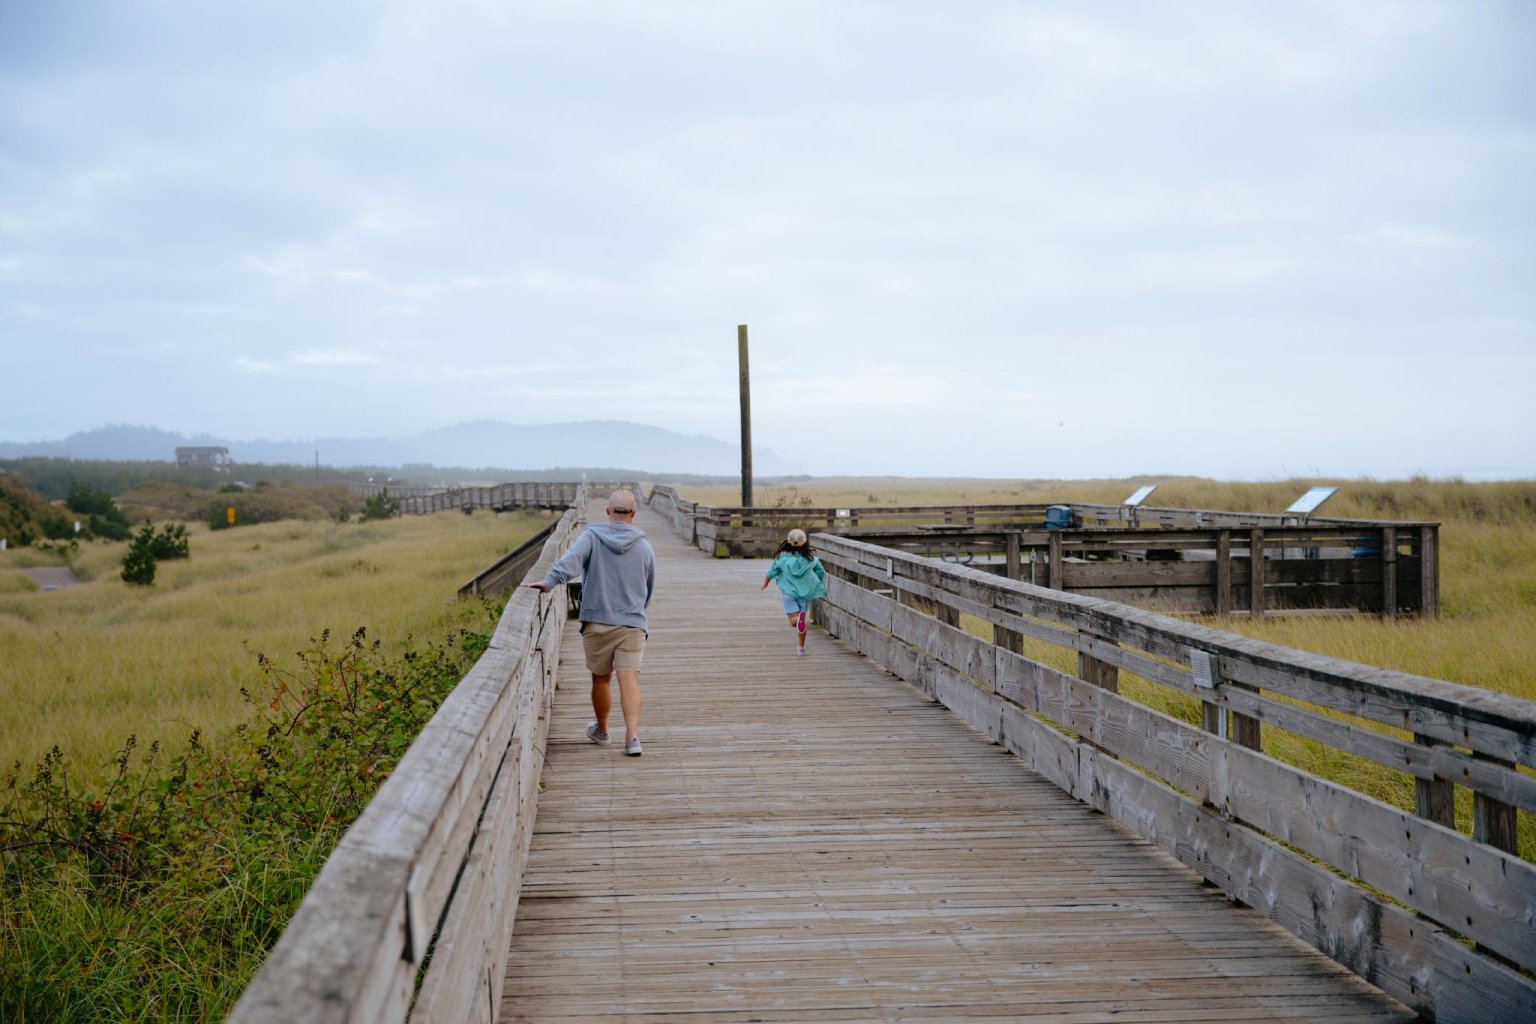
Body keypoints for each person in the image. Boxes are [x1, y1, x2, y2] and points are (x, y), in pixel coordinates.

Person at [527, 489, 655, 756]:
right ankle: (632, 738)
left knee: (601, 679)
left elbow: (570, 562)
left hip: (597, 621)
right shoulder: (645, 547)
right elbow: (648, 587)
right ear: (633, 513)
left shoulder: (592, 537)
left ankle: (602, 731)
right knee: (629, 680)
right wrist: (635, 611)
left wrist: (549, 582)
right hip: (632, 623)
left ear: (607, 511)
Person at [759, 528, 827, 655]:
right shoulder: (811, 558)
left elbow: (771, 572)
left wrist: (765, 584)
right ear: (805, 542)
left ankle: (798, 620)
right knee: (802, 621)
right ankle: (801, 648)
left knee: (793, 621)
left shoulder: (782, 558)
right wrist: (815, 581)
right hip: (805, 594)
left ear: (788, 542)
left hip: (789, 593)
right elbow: (821, 572)